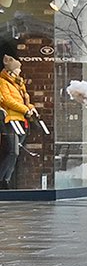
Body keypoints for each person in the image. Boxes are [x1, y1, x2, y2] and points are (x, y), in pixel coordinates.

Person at [1, 52, 36, 189]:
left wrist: (31, 108)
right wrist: (25, 109)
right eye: (18, 68)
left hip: (21, 120)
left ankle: (6, 179)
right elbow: (8, 101)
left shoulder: (19, 84)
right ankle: (4, 180)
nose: (20, 70)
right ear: (12, 70)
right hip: (11, 120)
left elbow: (25, 101)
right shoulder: (3, 82)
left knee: (15, 151)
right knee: (13, 150)